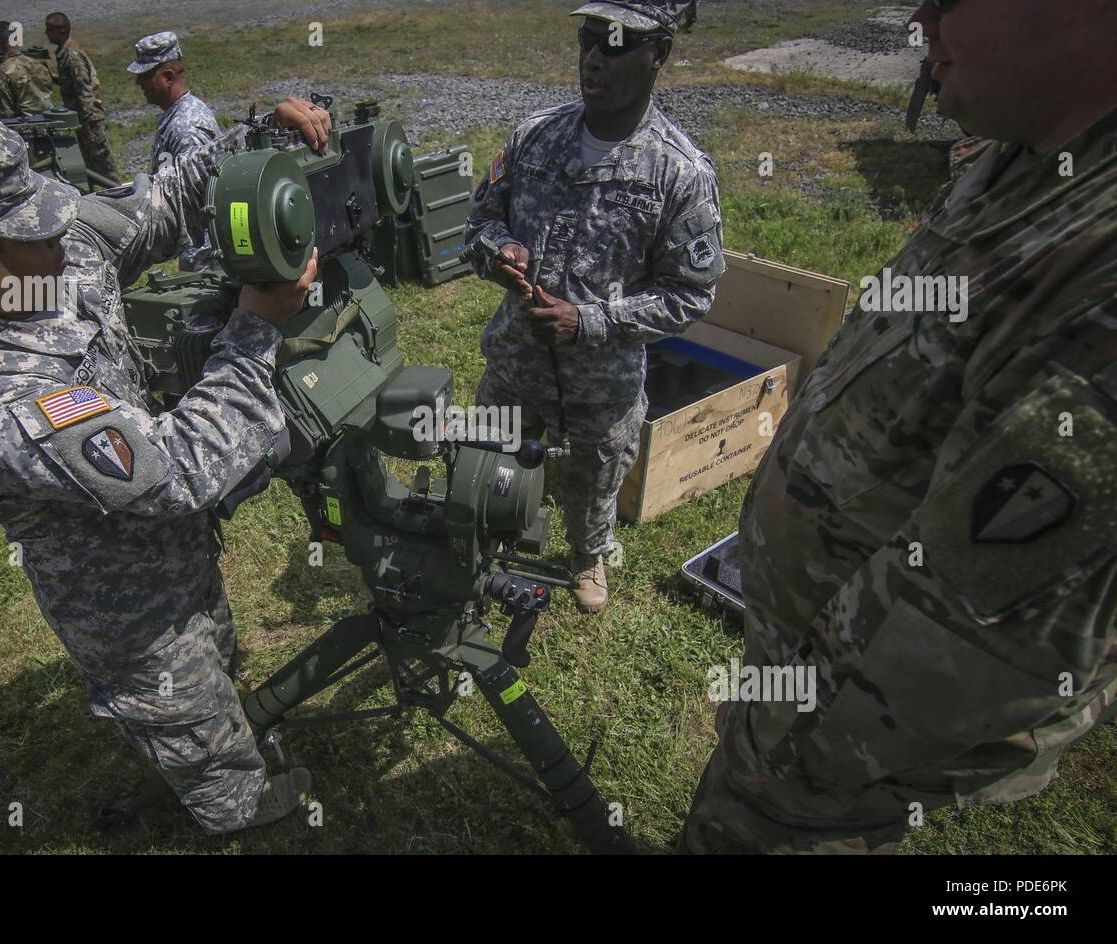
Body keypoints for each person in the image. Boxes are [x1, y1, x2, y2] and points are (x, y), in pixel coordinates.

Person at [680, 0, 1117, 854]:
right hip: (798, 685)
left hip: (831, 747)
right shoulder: (1025, 160)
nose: (921, 16)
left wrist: (784, 748)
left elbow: (960, 640)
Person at [0, 98, 333, 835]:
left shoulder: (38, 262)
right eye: (36, 226)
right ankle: (244, 816)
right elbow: (181, 469)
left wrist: (260, 133)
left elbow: (167, 202)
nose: (63, 230)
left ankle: (238, 745)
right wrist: (253, 331)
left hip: (183, 551)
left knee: (217, 651)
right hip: (124, 603)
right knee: (182, 711)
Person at [465, 0, 724, 614]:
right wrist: (496, 249)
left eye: (615, 46)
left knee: (593, 479)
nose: (593, 59)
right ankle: (487, 548)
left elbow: (692, 293)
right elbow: (479, 219)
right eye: (587, 41)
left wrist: (590, 322)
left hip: (600, 381)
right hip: (515, 363)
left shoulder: (679, 172)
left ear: (658, 56)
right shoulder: (534, 137)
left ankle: (588, 555)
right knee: (490, 462)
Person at [45, 12, 123, 184]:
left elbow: (84, 91)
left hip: (89, 119)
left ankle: (120, 197)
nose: (46, 33)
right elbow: (71, 84)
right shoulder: (64, 53)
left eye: (50, 29)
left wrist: (87, 122)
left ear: (62, 30)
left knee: (103, 164)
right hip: (83, 118)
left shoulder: (72, 56)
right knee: (90, 164)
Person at [128, 31, 221, 174]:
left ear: (168, 78)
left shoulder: (186, 131)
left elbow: (195, 192)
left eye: (145, 76)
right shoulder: (176, 116)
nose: (138, 82)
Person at [0, 20, 54, 118]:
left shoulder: (2, 72)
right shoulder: (38, 63)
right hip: (49, 119)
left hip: (25, 125)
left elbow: (6, 112)